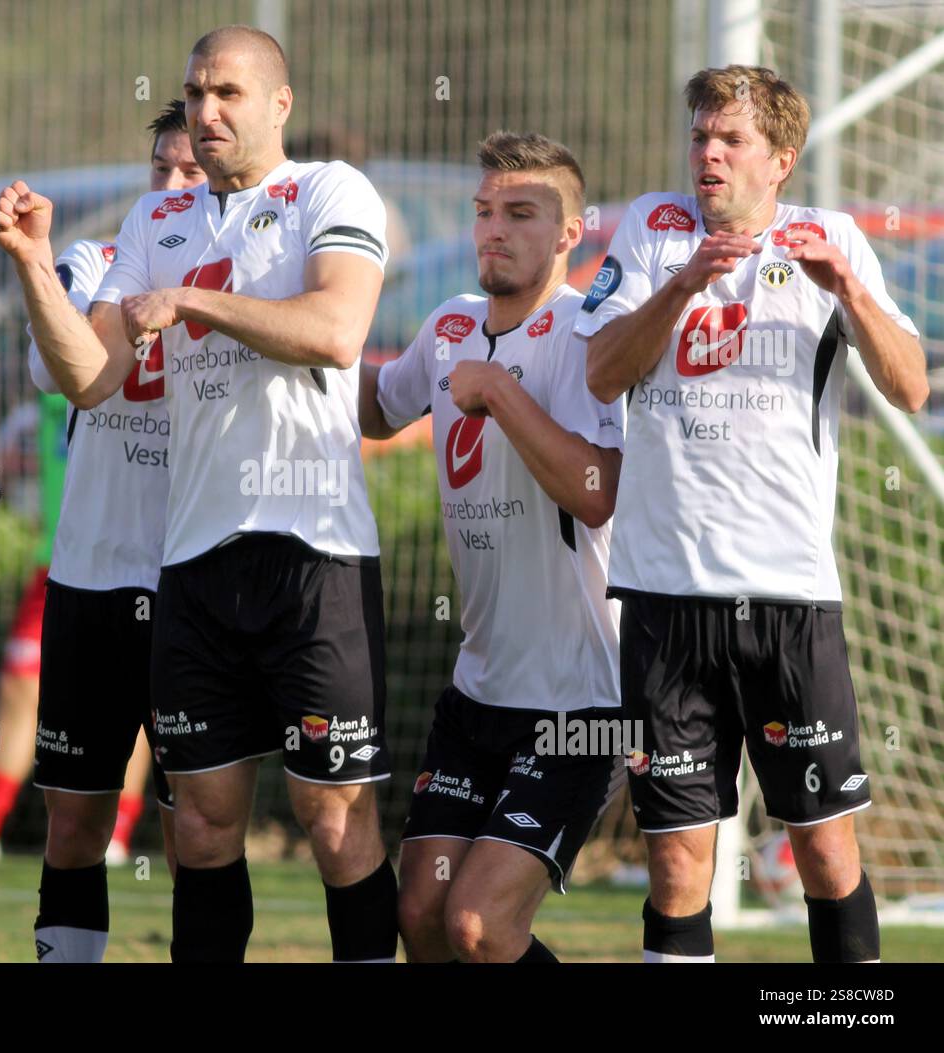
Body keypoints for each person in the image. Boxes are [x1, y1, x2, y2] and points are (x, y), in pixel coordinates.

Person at [0, 25, 397, 963]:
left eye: (228, 94)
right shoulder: (155, 224)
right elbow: (91, 377)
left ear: (278, 104)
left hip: (315, 554)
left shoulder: (327, 192)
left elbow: (337, 329)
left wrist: (192, 302)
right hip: (194, 565)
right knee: (204, 826)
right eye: (195, 92)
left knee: (334, 820)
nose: (207, 112)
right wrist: (31, 262)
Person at [576, 65, 927, 963]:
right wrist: (684, 282)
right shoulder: (655, 233)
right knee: (678, 860)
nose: (709, 155)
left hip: (788, 599)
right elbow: (602, 370)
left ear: (781, 159)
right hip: (663, 594)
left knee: (823, 845)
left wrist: (847, 286)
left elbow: (911, 383)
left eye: (730, 140)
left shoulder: (831, 237)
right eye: (700, 137)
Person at [360, 132, 626, 962]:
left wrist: (501, 394)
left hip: (580, 706)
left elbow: (597, 492)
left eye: (520, 212)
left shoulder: (594, 334)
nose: (493, 231)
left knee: (480, 926)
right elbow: (378, 408)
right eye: (483, 213)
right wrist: (300, 341)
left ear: (569, 233)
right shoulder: (448, 328)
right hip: (477, 696)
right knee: (423, 917)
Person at [0, 103, 204, 874]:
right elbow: (55, 373)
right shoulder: (94, 261)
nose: (173, 183)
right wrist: (31, 260)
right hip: (89, 571)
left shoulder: (243, 281)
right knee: (69, 817)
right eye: (161, 168)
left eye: (191, 171)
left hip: (198, 572)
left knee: (202, 822)